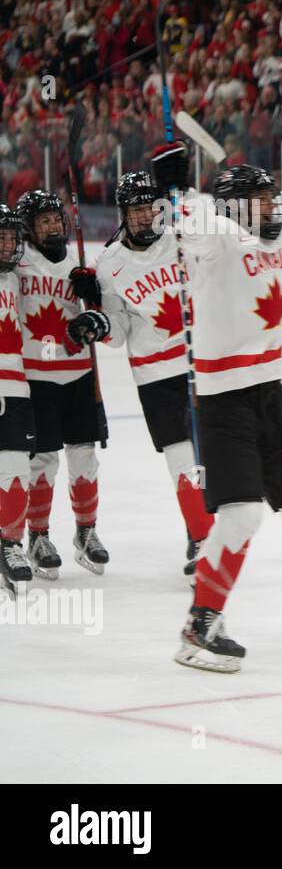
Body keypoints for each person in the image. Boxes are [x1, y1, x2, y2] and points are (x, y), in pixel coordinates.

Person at [149, 121, 282, 673]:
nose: (273, 207)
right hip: (222, 403)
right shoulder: (217, 240)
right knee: (242, 514)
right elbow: (191, 222)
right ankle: (200, 626)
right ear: (234, 208)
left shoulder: (271, 228)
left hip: (270, 394)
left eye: (272, 198)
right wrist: (174, 188)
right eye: (261, 199)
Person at [65, 172, 213, 582]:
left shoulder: (183, 240)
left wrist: (182, 184)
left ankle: (201, 532)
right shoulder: (110, 263)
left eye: (151, 207)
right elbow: (119, 330)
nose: (146, 216)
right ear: (123, 214)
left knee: (209, 458)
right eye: (136, 210)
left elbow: (217, 229)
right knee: (182, 461)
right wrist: (96, 318)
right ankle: (203, 540)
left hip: (199, 365)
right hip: (155, 377)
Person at [14, 189, 109, 580]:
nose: (53, 226)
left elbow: (102, 324)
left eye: (56, 219)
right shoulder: (17, 265)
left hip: (78, 377)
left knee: (84, 455)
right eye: (44, 221)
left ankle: (86, 532)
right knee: (43, 460)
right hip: (38, 379)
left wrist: (94, 301)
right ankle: (38, 537)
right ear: (29, 230)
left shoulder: (77, 264)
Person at [0, 205, 34, 595]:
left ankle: (11, 544)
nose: (9, 245)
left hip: (16, 386)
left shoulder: (16, 280)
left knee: (15, 470)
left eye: (12, 237)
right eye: (2, 237)